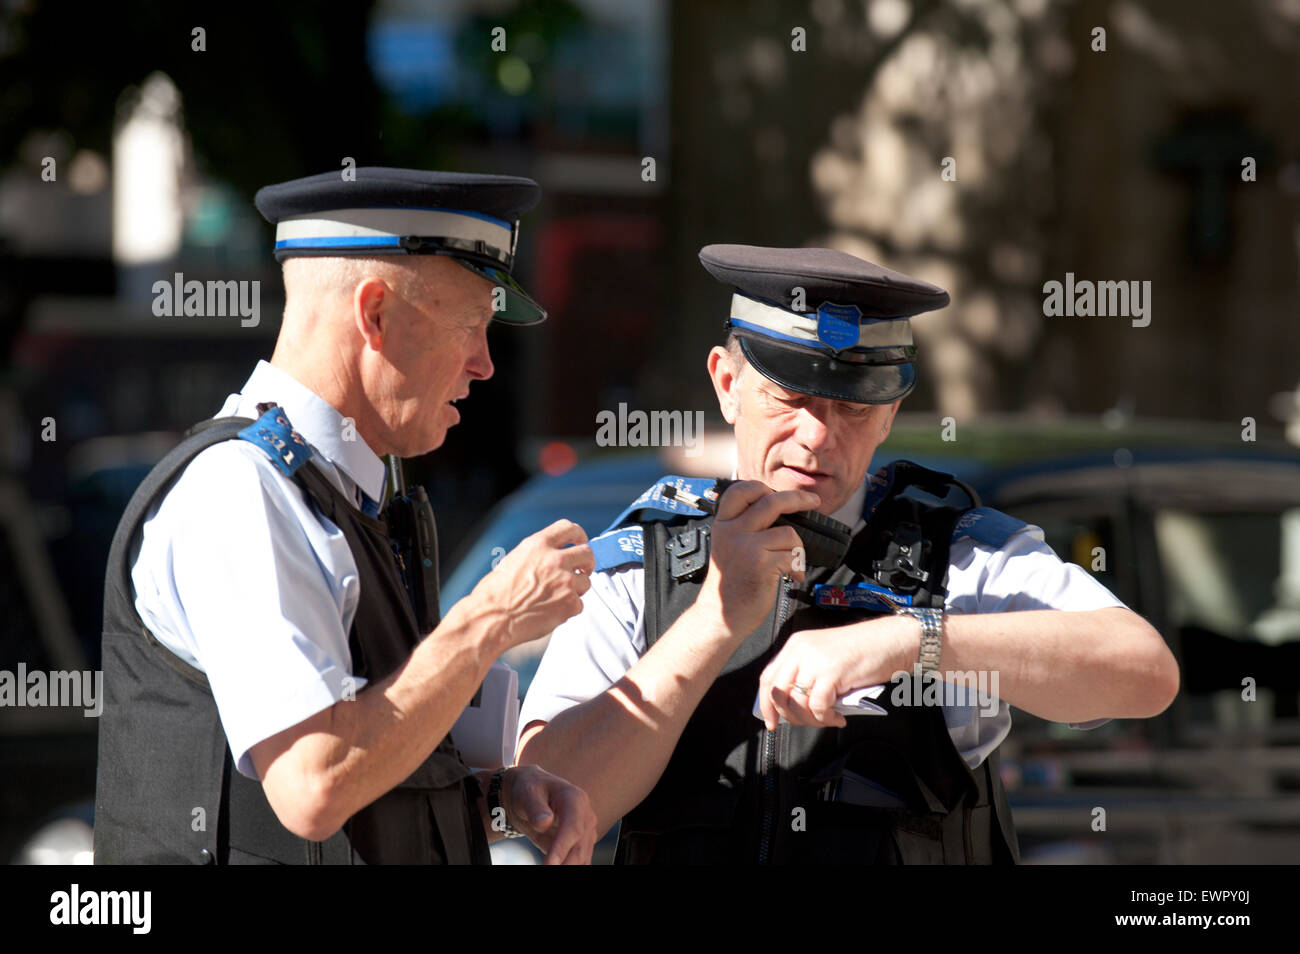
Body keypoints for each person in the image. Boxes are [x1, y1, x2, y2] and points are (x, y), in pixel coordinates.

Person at [516, 244, 1180, 864]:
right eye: (790, 397)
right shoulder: (642, 567)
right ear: (726, 385)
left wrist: (908, 640)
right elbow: (547, 803)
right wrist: (711, 623)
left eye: (853, 409)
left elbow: (1146, 674)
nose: (816, 437)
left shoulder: (960, 556)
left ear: (891, 413)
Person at [94, 167, 598, 865]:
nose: (484, 365)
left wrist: (496, 802)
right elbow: (315, 785)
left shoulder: (346, 493)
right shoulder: (242, 490)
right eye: (471, 326)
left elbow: (368, 779)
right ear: (376, 315)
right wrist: (490, 620)